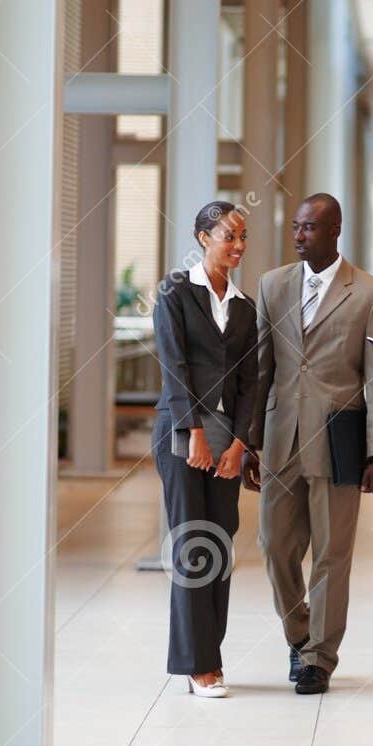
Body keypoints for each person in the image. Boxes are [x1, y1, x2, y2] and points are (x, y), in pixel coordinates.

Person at [242, 193, 373, 695]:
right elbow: (261, 368)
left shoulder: (369, 293)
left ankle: (318, 658)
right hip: (281, 435)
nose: (298, 236)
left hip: (338, 440)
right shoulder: (272, 285)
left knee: (332, 553)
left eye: (308, 228)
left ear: (335, 231)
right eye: (295, 227)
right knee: (274, 546)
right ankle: (300, 633)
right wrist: (247, 441)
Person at [152, 202, 258, 699]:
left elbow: (250, 384)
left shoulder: (245, 307)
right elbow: (175, 366)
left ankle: (208, 655)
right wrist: (193, 432)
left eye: (242, 237)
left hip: (227, 438)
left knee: (219, 547)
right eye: (228, 236)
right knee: (192, 548)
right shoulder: (175, 292)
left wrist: (240, 445)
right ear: (202, 237)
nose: (237, 245)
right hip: (182, 432)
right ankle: (199, 665)